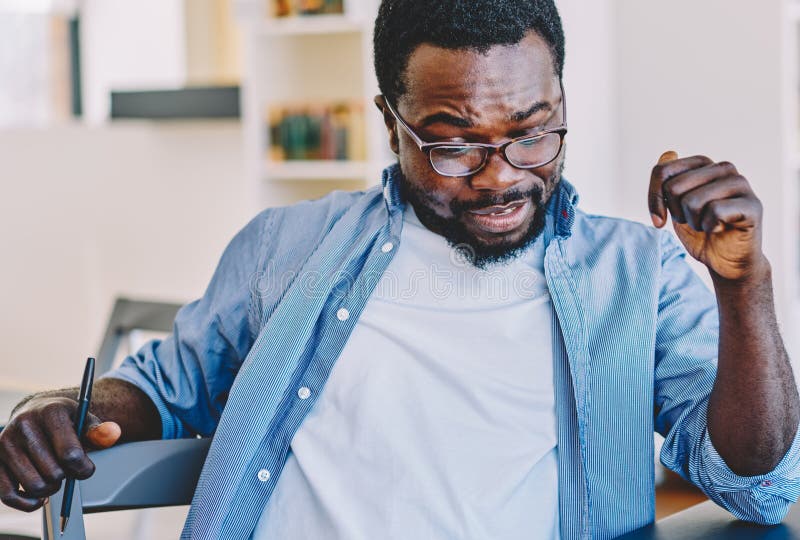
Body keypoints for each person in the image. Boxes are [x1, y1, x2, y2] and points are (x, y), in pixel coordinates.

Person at [2, 1, 799, 538]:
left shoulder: (636, 270)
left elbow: (758, 484)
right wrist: (57, 410)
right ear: (391, 124)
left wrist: (745, 289)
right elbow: (160, 391)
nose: (500, 177)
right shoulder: (286, 246)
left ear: (560, 102)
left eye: (533, 132)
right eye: (453, 143)